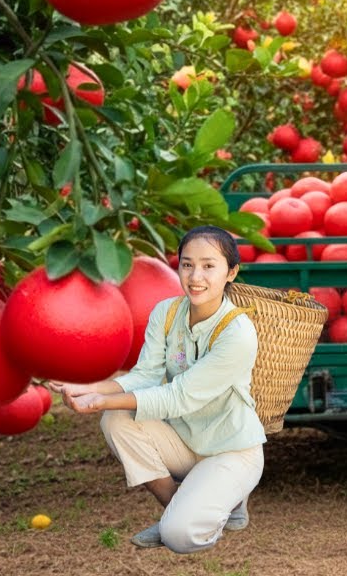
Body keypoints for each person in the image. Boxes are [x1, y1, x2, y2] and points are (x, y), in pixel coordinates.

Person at [48, 225, 265, 553]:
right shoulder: (166, 313)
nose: (195, 276)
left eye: (209, 266)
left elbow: (178, 397)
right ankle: (176, 508)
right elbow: (145, 376)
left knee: (180, 537)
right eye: (187, 264)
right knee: (116, 421)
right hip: (184, 442)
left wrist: (101, 400)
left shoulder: (238, 333)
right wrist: (90, 386)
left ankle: (210, 506)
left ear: (231, 272)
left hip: (231, 450)